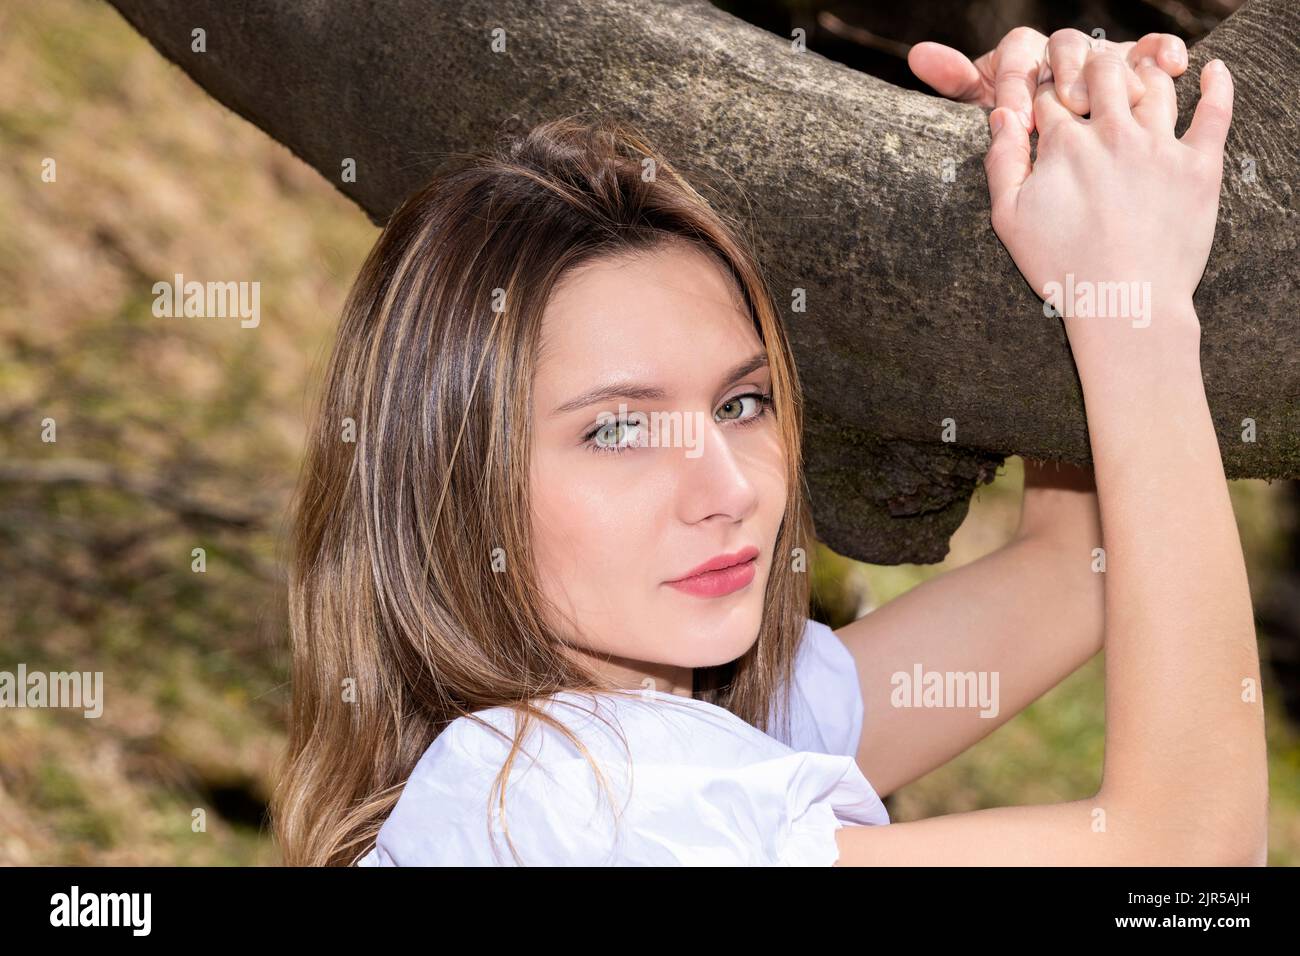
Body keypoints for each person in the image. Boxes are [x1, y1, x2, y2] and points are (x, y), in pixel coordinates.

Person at [270, 25, 1267, 866]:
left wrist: (1047, 191)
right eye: (619, 428)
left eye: (741, 403)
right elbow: (1188, 860)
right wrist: (1134, 310)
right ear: (443, 480)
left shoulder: (686, 727)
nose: (728, 488)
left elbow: (1078, 568)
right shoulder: (550, 794)